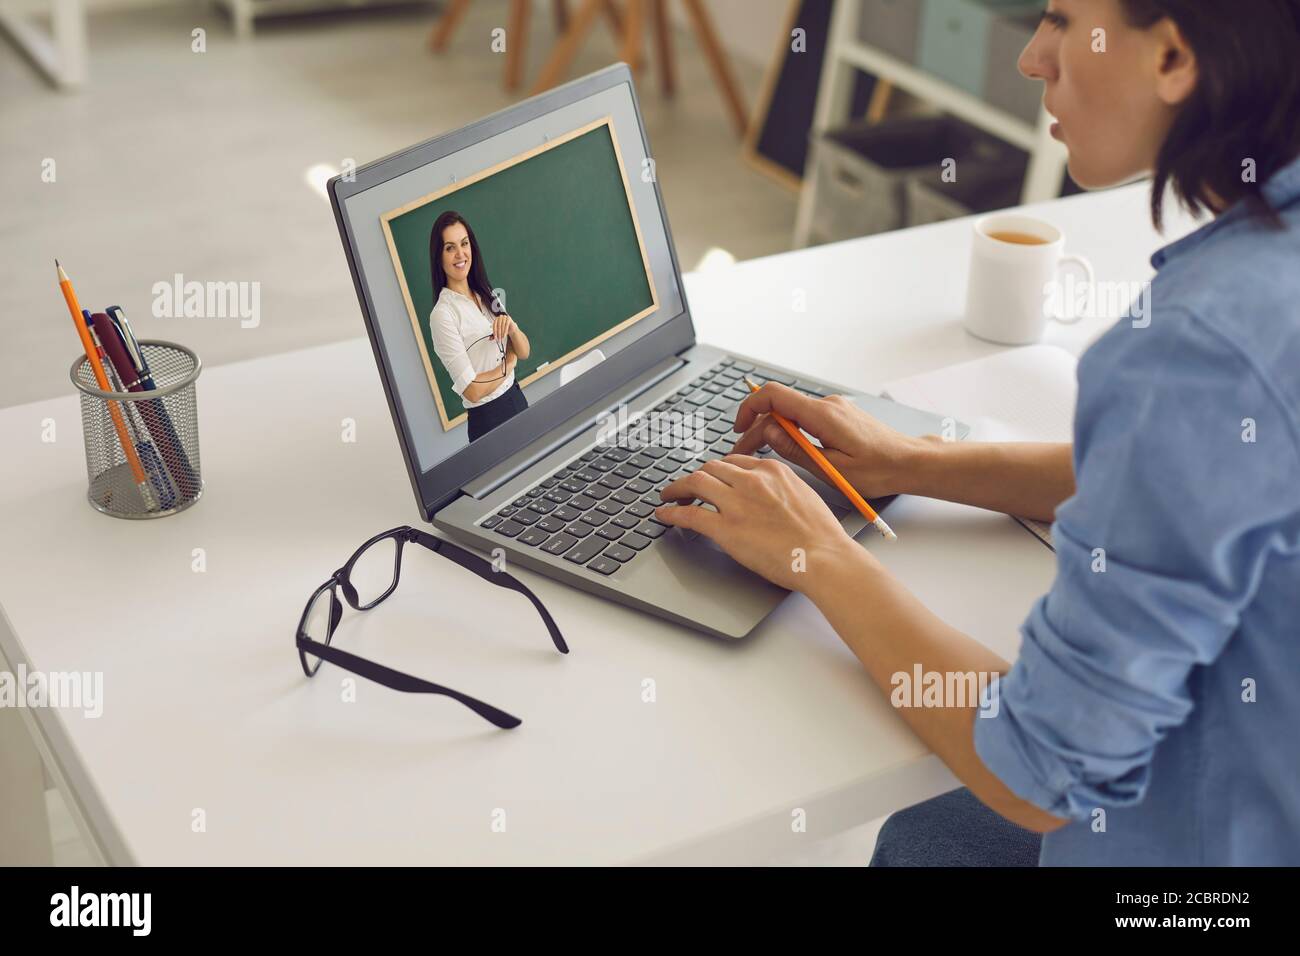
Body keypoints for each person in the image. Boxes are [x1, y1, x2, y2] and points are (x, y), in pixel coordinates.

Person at [654, 0, 1300, 866]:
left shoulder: (1201, 349)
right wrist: (912, 459)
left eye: (1063, 21)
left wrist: (817, 554)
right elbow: (1217, 471)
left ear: (1174, 56)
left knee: (913, 840)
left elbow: (1039, 768)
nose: (1033, 59)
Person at [428, 210, 531, 441]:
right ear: (439, 256)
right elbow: (472, 390)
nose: (460, 253)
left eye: (464, 243)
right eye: (450, 247)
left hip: (517, 398)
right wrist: (508, 364)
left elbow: (524, 351)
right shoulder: (443, 315)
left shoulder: (486, 293)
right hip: (488, 420)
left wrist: (512, 329)